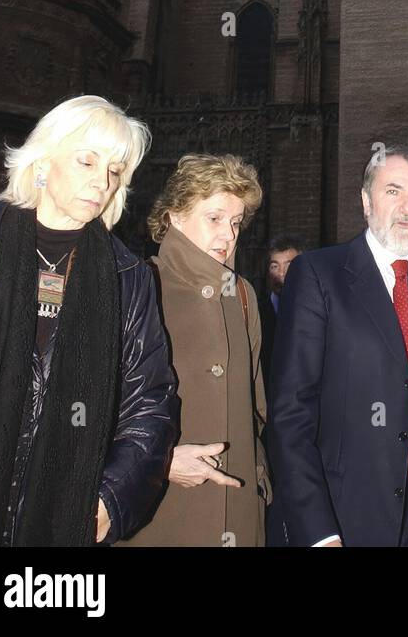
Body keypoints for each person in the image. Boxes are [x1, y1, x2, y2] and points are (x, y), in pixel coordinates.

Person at [0, 95, 177, 547]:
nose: (103, 182)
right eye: (87, 161)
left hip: (61, 525)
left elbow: (150, 401)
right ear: (42, 161)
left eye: (115, 171)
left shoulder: (128, 277)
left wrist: (110, 500)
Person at [268, 143, 408, 547]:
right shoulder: (319, 276)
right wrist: (319, 533)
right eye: (394, 191)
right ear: (366, 201)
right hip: (351, 512)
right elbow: (291, 415)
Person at [119, 153, 270, 547]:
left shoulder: (242, 295)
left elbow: (255, 410)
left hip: (238, 514)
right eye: (215, 218)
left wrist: (258, 482)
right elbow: (92, 412)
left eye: (236, 222)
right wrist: (161, 462)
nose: (229, 234)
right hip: (157, 511)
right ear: (174, 216)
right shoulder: (135, 286)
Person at [259, 234, 304, 392]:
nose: (281, 273)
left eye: (289, 266)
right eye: (274, 266)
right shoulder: (255, 316)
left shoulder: (319, 314)